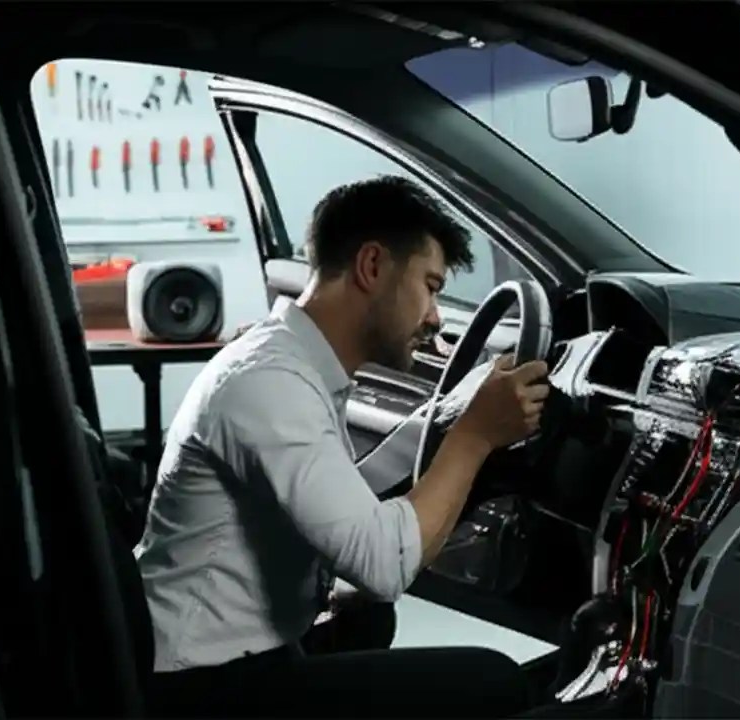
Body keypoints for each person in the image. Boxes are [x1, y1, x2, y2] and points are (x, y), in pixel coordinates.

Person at [135, 175, 550, 718]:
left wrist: (457, 424)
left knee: (370, 618)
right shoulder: (271, 382)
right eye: (430, 287)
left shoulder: (293, 362)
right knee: (494, 681)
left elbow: (354, 517)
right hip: (200, 685)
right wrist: (475, 436)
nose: (433, 318)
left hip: (222, 650)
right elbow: (382, 567)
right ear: (372, 266)